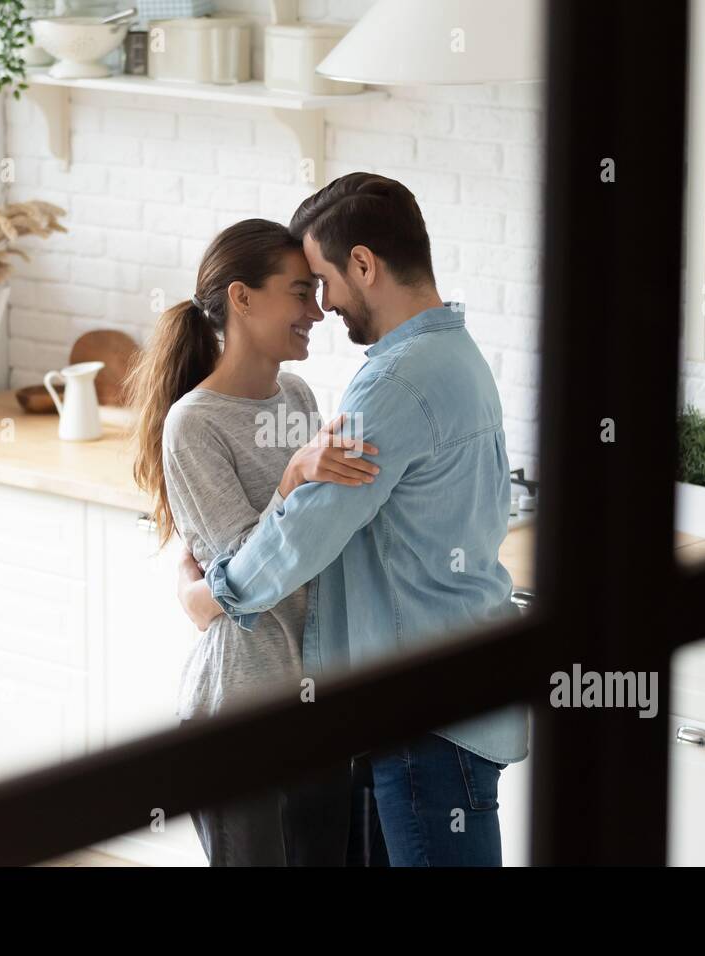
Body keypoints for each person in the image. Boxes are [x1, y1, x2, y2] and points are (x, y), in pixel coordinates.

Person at [177, 173, 529, 867]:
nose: (323, 305)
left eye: (323, 282)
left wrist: (211, 595)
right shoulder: (455, 355)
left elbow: (305, 533)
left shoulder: (396, 380)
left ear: (363, 265)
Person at [125, 218, 380, 866]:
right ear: (242, 298)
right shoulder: (194, 424)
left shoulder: (295, 395)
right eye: (299, 292)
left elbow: (323, 537)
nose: (316, 312)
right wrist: (294, 475)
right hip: (240, 715)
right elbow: (245, 569)